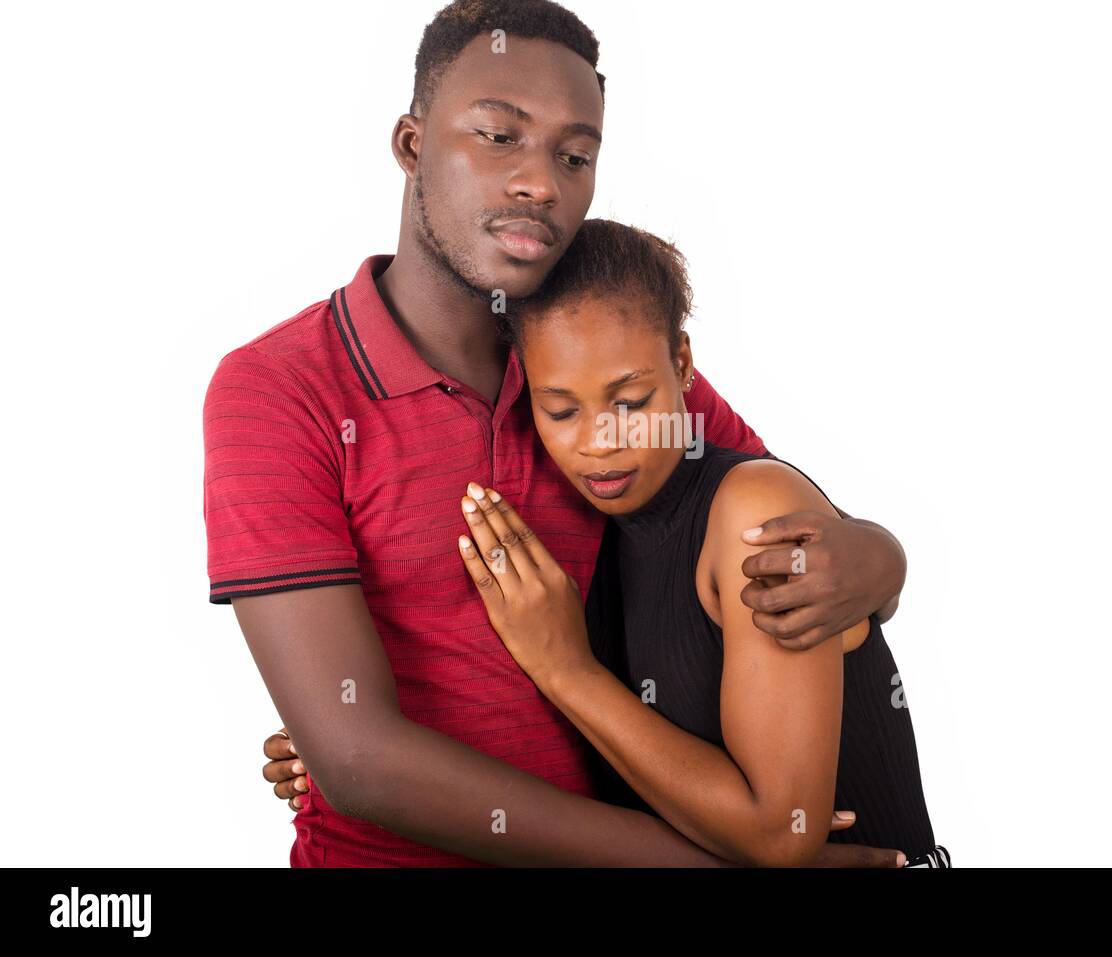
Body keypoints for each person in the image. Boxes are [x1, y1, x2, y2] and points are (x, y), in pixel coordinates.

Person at [211, 0, 908, 867]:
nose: (541, 181)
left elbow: (772, 528)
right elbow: (359, 759)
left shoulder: (590, 366)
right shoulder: (280, 387)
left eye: (574, 156)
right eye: (500, 136)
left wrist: (881, 560)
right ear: (411, 143)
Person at [448, 218, 948, 866]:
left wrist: (566, 670)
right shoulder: (590, 543)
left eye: (630, 400)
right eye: (561, 410)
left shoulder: (752, 508)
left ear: (682, 364)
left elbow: (780, 833)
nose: (600, 440)